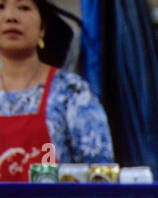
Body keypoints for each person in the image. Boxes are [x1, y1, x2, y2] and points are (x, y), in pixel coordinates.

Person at [0, 0, 113, 181]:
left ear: (42, 29)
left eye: (24, 7)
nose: (10, 17)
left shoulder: (71, 92)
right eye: (0, 7)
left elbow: (100, 176)